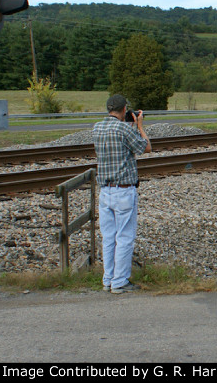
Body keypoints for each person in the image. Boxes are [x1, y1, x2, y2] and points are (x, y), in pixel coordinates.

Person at [92, 94, 151, 293]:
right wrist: (140, 126)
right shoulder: (124, 129)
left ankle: (107, 279)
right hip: (123, 191)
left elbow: (122, 145)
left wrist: (130, 128)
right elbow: (146, 147)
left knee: (108, 238)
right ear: (125, 109)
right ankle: (120, 281)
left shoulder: (97, 127)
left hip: (105, 191)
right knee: (124, 237)